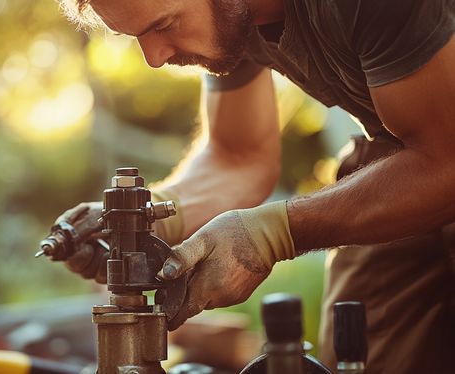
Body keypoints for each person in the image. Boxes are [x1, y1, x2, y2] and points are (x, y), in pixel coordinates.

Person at [51, 0, 455, 372]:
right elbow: (237, 155)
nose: (154, 58)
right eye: (136, 37)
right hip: (401, 151)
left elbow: (446, 160)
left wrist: (274, 233)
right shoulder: (233, 18)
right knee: (358, 360)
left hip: (441, 149)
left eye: (165, 25)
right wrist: (153, 221)